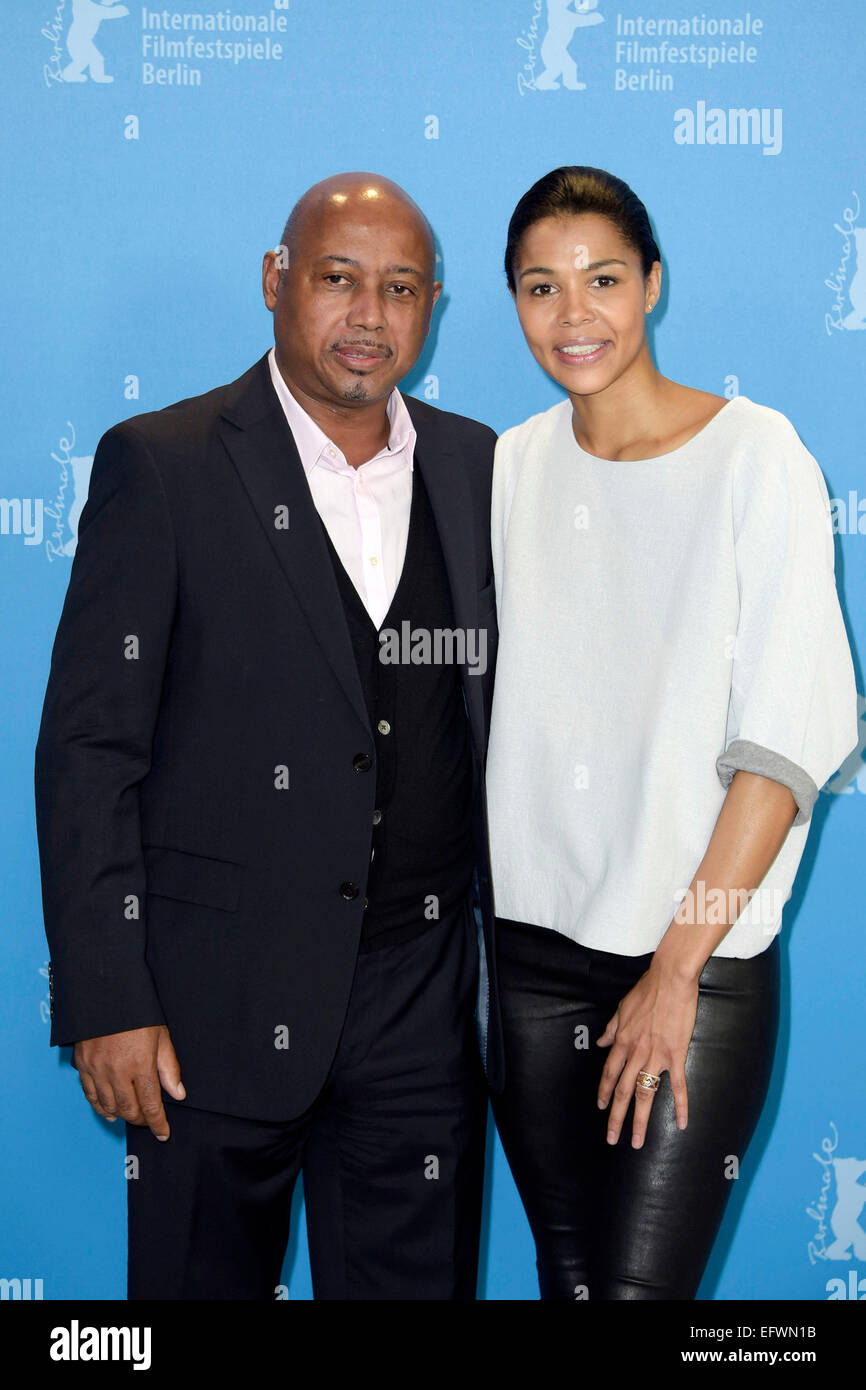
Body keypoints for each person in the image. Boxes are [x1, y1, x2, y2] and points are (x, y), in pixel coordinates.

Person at [34, 172, 503, 1300]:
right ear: (274, 280)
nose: (368, 315)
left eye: (399, 289)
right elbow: (90, 749)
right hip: (206, 1010)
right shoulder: (166, 461)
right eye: (338, 278)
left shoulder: (479, 467)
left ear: (432, 305)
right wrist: (109, 997)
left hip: (418, 1013)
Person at [484, 165, 858, 1300]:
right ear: (508, 303)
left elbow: (787, 737)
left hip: (691, 966)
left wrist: (675, 965)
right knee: (572, 1282)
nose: (572, 315)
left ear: (650, 284)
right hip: (531, 962)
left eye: (600, 279)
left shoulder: (756, 456)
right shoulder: (507, 466)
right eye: (540, 288)